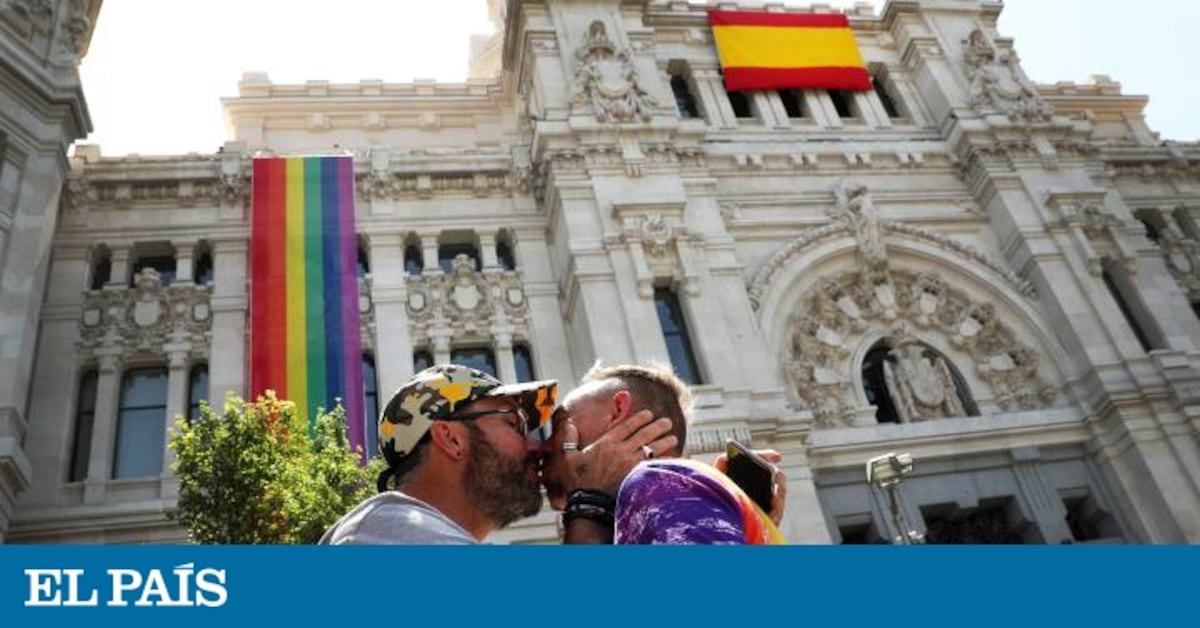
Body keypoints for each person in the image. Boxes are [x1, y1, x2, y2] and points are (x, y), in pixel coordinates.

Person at [320, 364, 675, 544]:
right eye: (516, 426)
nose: (537, 448)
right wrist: (590, 501)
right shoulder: (388, 533)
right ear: (451, 438)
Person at [541, 362, 788, 544]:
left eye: (560, 425)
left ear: (618, 411)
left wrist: (588, 501)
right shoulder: (668, 496)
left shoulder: (659, 483)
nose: (544, 445)